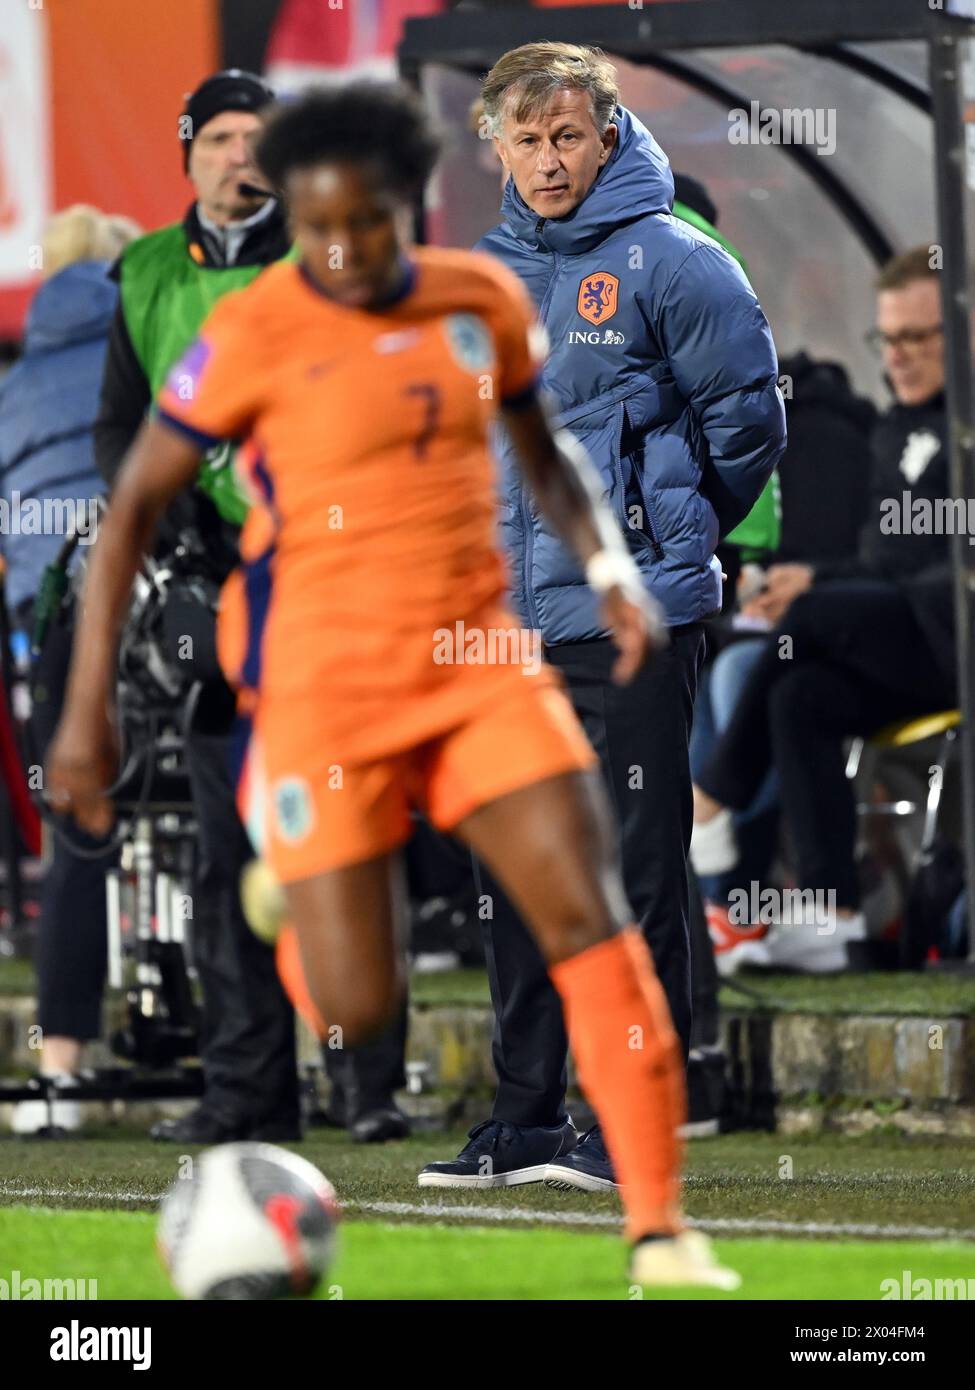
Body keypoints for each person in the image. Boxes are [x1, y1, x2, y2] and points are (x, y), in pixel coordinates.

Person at [45, 80, 738, 1292]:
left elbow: (547, 453)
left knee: (591, 914)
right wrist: (86, 711)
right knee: (357, 1006)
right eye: (316, 226)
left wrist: (608, 566)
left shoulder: (477, 300)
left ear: (402, 208)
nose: (342, 251)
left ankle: (662, 1233)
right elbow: (129, 515)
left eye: (366, 224)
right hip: (322, 693)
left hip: (480, 670)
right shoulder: (255, 330)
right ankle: (294, 878)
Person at [420, 42, 785, 1192]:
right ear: (496, 147)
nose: (547, 160)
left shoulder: (678, 259)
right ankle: (527, 1115)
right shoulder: (477, 272)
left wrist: (665, 541)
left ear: (607, 129)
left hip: (630, 620)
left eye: (566, 134)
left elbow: (750, 426)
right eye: (525, 140)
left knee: (636, 871)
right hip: (509, 631)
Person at [94, 69, 304, 1144]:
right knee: (227, 851)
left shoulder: (327, 257)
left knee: (344, 846)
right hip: (212, 592)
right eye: (219, 136)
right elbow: (118, 435)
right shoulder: (140, 272)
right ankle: (246, 1093)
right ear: (188, 152)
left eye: (256, 135)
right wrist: (172, 559)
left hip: (315, 577)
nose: (239, 154)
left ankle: (369, 1090)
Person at [691, 245, 956, 973]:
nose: (896, 358)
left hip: (952, 640)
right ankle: (834, 915)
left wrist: (824, 597)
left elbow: (942, 574)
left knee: (805, 624)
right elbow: (882, 561)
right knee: (800, 696)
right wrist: (809, 576)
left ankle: (710, 796)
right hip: (903, 640)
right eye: (887, 339)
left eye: (916, 338)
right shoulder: (894, 428)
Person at [0, 205, 139, 1134]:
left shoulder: (15, 380)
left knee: (76, 831)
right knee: (216, 813)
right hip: (151, 590)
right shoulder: (147, 344)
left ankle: (58, 1076)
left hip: (52, 613)